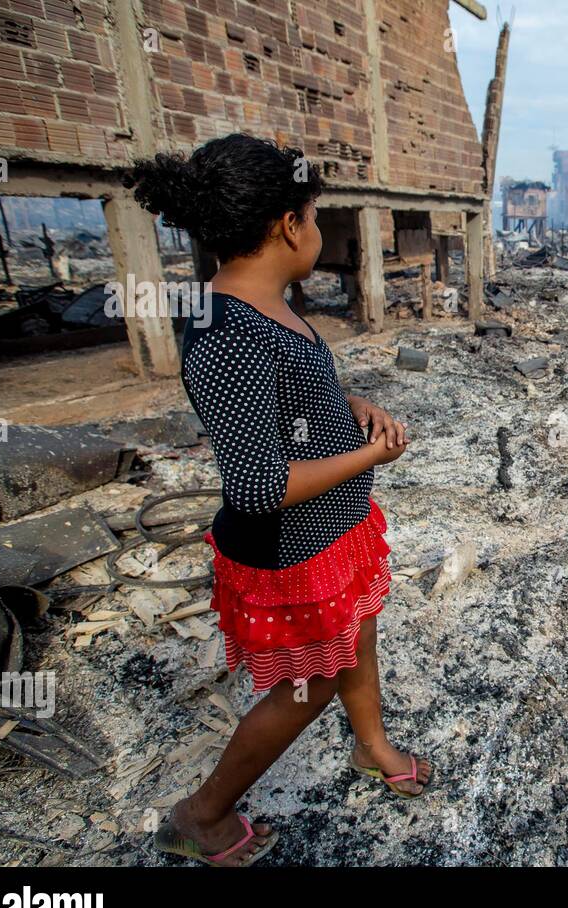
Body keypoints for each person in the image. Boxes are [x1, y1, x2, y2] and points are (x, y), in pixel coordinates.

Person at [126, 133, 432, 867]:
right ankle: (201, 815)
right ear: (289, 225)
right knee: (309, 683)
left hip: (332, 534)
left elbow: (289, 401)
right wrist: (371, 454)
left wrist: (349, 404)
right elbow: (259, 487)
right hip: (288, 552)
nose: (319, 230)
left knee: (356, 630)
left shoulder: (269, 306)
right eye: (315, 215)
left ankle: (372, 745)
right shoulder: (228, 335)